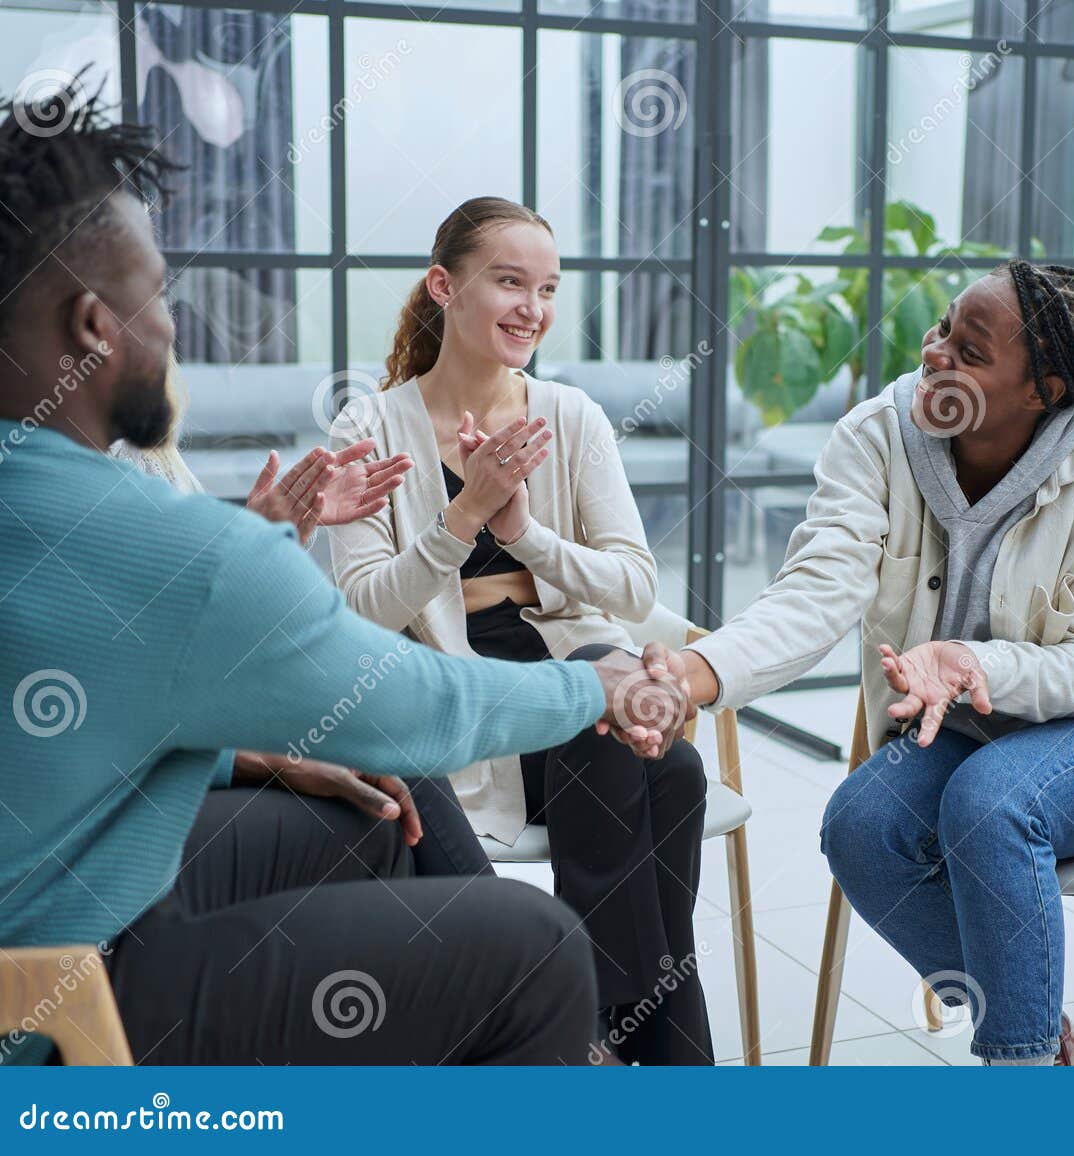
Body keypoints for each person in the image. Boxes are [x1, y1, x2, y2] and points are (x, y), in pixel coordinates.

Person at [0, 85, 683, 1066]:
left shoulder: (565, 416)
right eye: (159, 298)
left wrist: (252, 755)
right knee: (533, 948)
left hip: (53, 887)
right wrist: (597, 685)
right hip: (51, 998)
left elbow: (70, 712)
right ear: (95, 326)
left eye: (547, 288)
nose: (174, 331)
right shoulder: (193, 532)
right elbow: (404, 704)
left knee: (365, 811)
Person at [660, 260, 1074, 1065]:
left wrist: (970, 661)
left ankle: (1019, 1078)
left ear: (1043, 390)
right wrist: (696, 672)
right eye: (944, 326)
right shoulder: (877, 436)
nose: (934, 352)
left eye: (970, 351)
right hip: (964, 729)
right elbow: (817, 590)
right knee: (864, 827)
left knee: (989, 804)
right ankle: (1050, 1048)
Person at [325, 196, 711, 1064]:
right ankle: (654, 1055)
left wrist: (526, 533)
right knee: (668, 768)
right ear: (443, 287)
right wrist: (462, 516)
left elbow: (634, 582)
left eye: (548, 289)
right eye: (510, 282)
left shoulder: (570, 416)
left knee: (619, 725)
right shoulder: (370, 426)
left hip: (568, 657)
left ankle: (583, 1032)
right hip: (449, 685)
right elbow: (364, 611)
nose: (532, 308)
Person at [111, 359, 492, 880]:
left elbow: (202, 628)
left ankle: (482, 921)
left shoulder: (147, 456)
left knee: (380, 760)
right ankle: (494, 922)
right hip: (139, 784)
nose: (164, 336)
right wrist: (262, 758)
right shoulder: (62, 480)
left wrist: (262, 541)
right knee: (377, 793)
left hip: (198, 731)